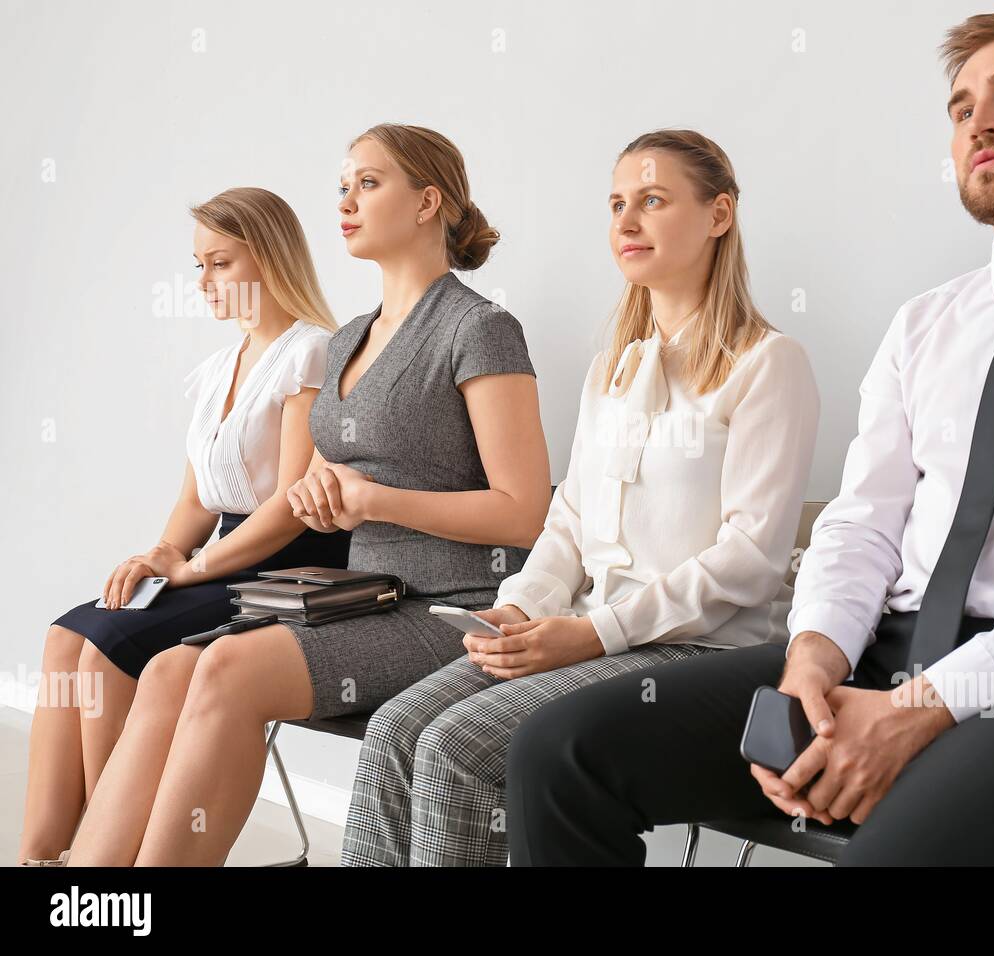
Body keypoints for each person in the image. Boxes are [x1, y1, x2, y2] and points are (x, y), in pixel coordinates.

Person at [504, 14, 994, 866]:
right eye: (960, 109)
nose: (979, 122)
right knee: (560, 753)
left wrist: (930, 704)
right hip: (886, 658)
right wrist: (811, 661)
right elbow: (860, 525)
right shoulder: (926, 324)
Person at [65, 124, 551, 866]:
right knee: (168, 666)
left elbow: (523, 512)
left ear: (428, 202)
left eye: (368, 183)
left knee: (224, 670)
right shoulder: (353, 334)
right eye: (342, 187)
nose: (346, 202)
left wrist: (374, 500)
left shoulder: (481, 329)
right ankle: (96, 893)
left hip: (455, 604)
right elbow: (306, 488)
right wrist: (188, 556)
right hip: (366, 594)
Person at [340, 129, 820, 866]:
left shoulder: (768, 365)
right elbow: (568, 520)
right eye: (617, 203)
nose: (626, 223)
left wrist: (596, 634)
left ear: (719, 214)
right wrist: (521, 606)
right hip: (586, 628)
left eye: (652, 201)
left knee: (454, 749)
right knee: (395, 731)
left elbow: (751, 561)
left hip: (691, 651)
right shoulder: (612, 370)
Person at [18, 187, 348, 867]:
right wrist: (164, 550)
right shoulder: (218, 370)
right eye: (197, 265)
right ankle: (42, 857)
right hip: (223, 552)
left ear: (269, 258)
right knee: (63, 639)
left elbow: (288, 505)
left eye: (220, 263)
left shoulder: (310, 355)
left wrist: (194, 568)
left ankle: (109, 860)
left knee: (108, 647)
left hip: (281, 564)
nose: (204, 282)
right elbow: (199, 499)